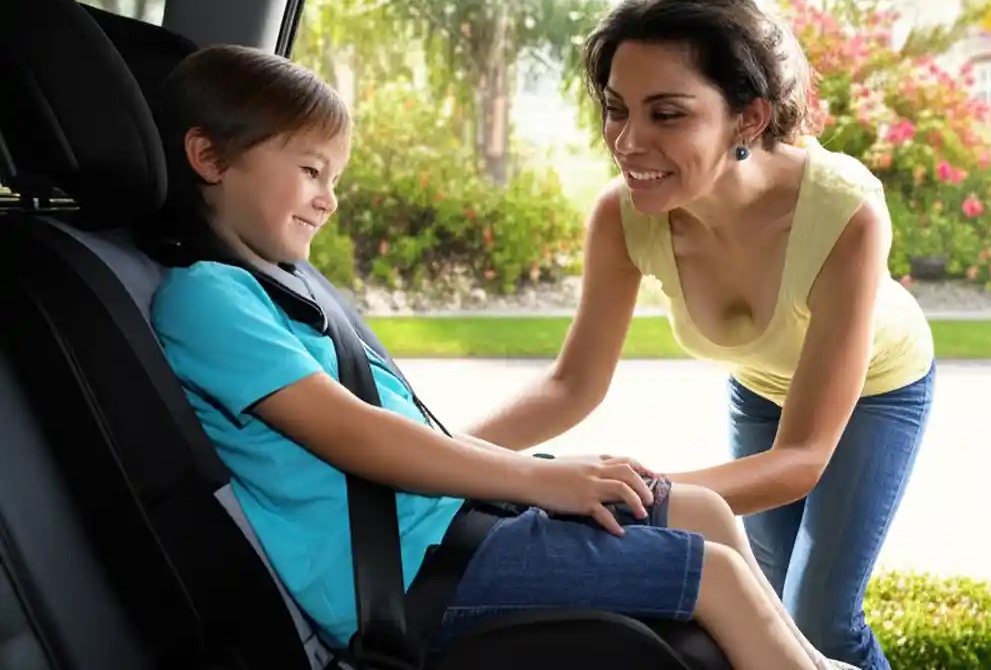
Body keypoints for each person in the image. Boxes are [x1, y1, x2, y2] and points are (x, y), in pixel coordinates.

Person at [142, 43, 859, 670]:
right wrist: (541, 482)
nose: (328, 200)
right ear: (209, 158)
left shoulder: (277, 287)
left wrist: (531, 481)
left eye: (334, 178)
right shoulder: (206, 300)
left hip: (444, 528)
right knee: (715, 578)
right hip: (402, 574)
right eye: (310, 170)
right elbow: (359, 436)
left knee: (699, 510)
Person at [465, 0, 936, 670]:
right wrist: (438, 457)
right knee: (763, 606)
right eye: (617, 109)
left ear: (747, 119)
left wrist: (641, 496)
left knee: (820, 618)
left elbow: (800, 459)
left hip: (881, 387)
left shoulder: (845, 212)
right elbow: (572, 386)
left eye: (668, 114)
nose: (627, 141)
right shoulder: (621, 216)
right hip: (759, 385)